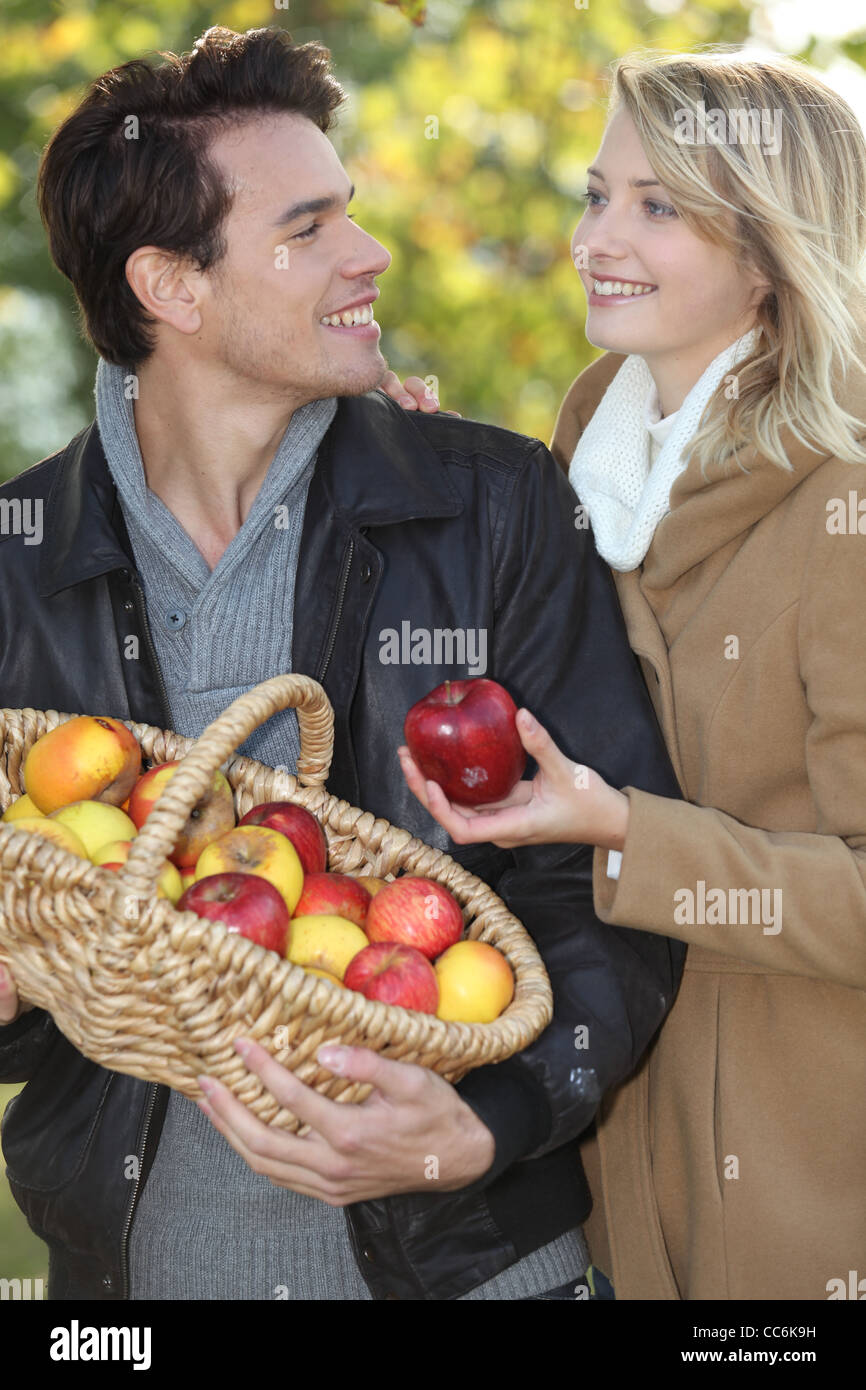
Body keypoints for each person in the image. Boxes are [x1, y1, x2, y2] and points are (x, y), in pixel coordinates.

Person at [0, 26, 685, 1301]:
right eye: (306, 229)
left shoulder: (495, 508)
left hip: (481, 1273)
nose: (370, 255)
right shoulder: (18, 564)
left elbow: (612, 877)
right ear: (172, 287)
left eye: (350, 214)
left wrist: (486, 1126)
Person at [389, 48, 866, 1300]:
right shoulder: (595, 428)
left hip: (804, 1163)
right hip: (614, 1132)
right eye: (596, 194)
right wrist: (443, 483)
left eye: (658, 206)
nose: (599, 236)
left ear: (769, 251)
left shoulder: (846, 502)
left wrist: (619, 832)